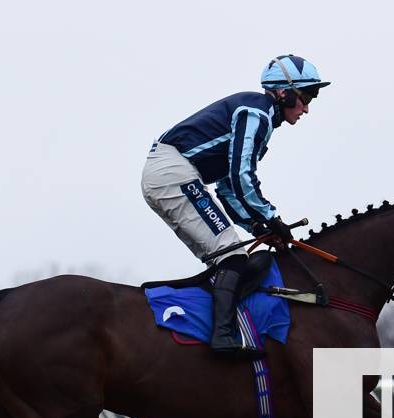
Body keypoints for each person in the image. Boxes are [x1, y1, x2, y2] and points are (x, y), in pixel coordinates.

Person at [141, 54, 329, 357]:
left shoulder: (261, 118)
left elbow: (228, 187)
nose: (307, 107)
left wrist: (255, 225)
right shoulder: (257, 111)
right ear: (284, 92)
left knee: (230, 258)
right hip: (172, 173)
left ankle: (210, 327)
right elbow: (243, 177)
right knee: (232, 256)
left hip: (171, 174)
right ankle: (222, 335)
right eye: (307, 96)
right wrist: (271, 217)